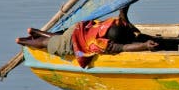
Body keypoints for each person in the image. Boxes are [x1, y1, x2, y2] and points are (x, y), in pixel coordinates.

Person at [16, 18, 158, 68]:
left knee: (60, 36)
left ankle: (35, 31)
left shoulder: (111, 24)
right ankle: (24, 40)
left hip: (79, 29)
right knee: (49, 43)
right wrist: (145, 46)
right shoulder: (102, 43)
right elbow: (125, 47)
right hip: (74, 41)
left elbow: (123, 20)